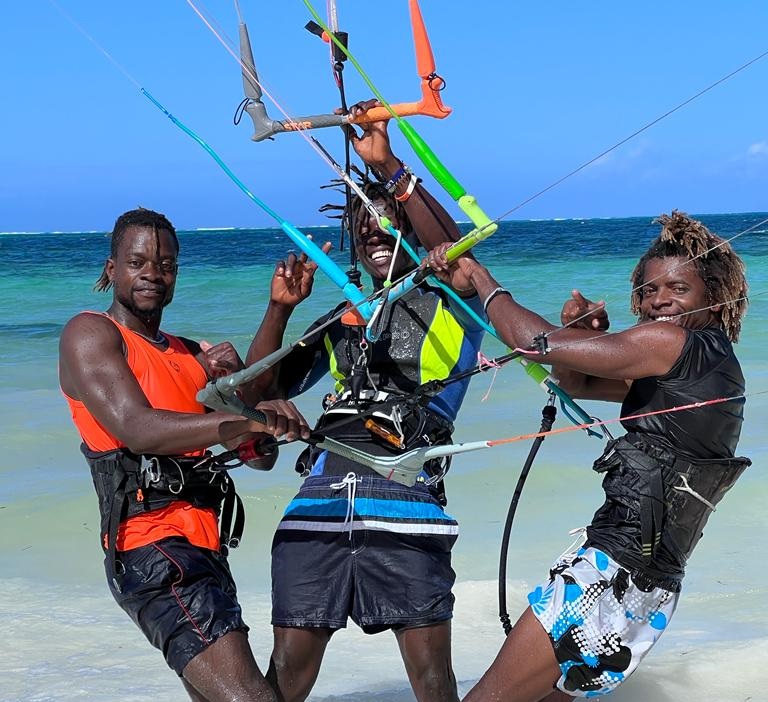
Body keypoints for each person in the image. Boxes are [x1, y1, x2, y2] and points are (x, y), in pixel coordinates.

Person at [426, 210, 751, 701]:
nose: (659, 300)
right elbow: (577, 381)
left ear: (714, 295)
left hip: (609, 574)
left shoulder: (673, 343)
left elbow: (532, 344)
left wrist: (478, 279)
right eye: (648, 291)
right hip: (650, 590)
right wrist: (586, 336)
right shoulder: (711, 364)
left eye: (678, 289)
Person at [243, 101, 485, 702]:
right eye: (365, 226)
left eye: (388, 224)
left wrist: (391, 168)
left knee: (432, 683)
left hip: (405, 502)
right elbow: (256, 393)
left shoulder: (455, 301)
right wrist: (280, 309)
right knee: (286, 680)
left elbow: (462, 256)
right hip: (317, 508)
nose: (376, 235)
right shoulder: (342, 317)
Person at [59, 207, 310, 702]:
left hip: (206, 549)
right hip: (149, 550)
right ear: (112, 269)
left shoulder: (194, 353)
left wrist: (277, 312)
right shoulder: (90, 334)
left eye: (166, 264)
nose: (153, 273)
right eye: (138, 262)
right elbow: (138, 429)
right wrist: (246, 418)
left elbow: (259, 457)